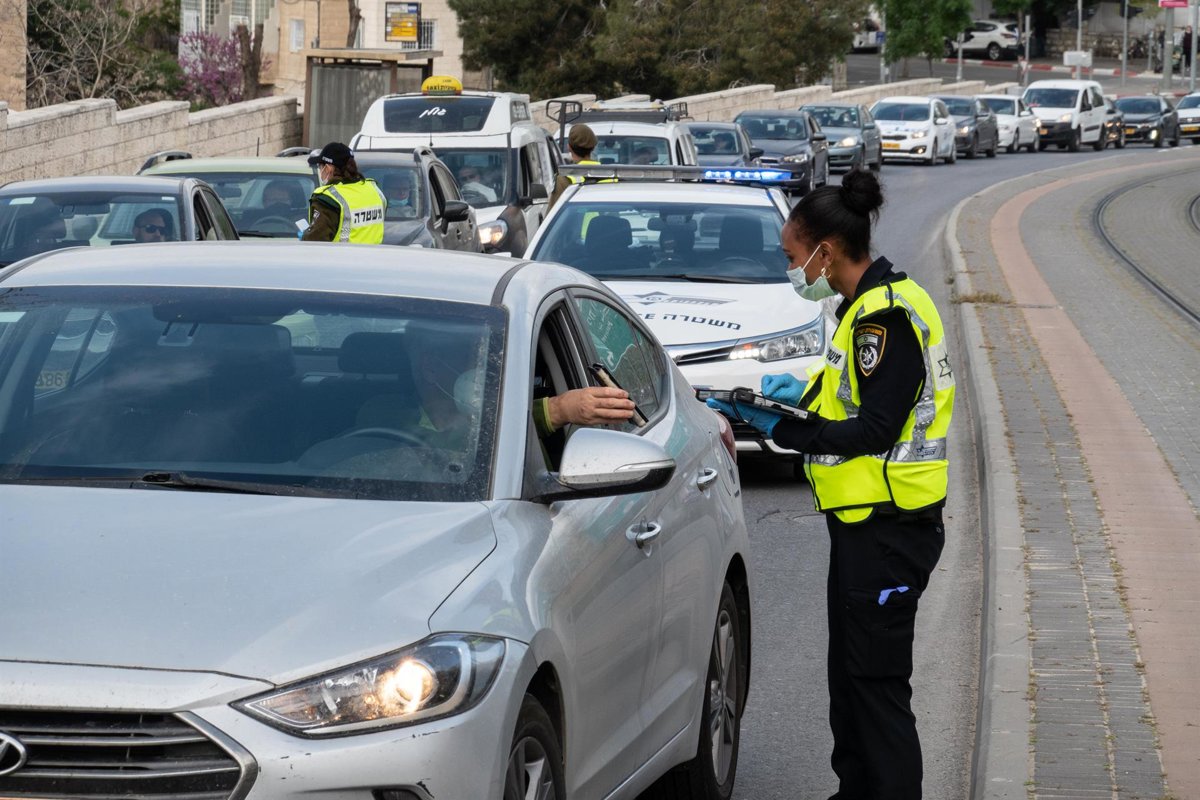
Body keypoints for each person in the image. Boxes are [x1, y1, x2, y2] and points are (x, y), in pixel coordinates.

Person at [708, 168, 954, 800]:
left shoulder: (886, 319)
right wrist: (795, 402)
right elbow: (845, 401)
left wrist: (789, 435)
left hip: (891, 525)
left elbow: (873, 428)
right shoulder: (860, 309)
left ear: (827, 250)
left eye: (794, 257)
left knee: (876, 687)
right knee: (850, 678)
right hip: (862, 525)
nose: (793, 270)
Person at [302, 142, 387, 243]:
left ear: (328, 168)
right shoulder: (374, 190)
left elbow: (314, 241)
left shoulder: (329, 199)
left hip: (342, 258)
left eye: (320, 167)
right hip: (375, 257)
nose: (320, 171)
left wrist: (306, 235)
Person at [549, 123, 603, 209]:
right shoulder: (612, 177)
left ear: (569, 147)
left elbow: (552, 217)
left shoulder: (564, 180)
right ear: (593, 147)